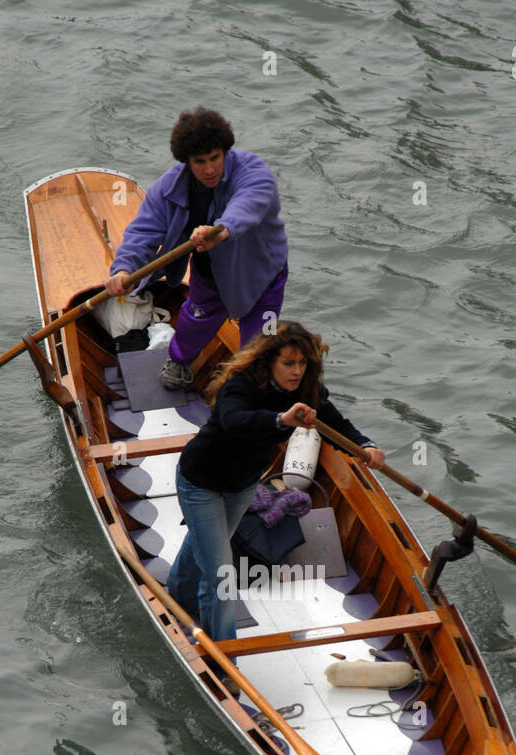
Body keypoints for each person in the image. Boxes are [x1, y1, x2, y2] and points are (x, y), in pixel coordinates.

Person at [167, 321, 385, 655]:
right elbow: (233, 421)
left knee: (213, 543)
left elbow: (334, 423)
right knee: (221, 575)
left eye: (303, 363)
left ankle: (178, 593)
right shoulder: (241, 386)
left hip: (242, 485)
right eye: (288, 363)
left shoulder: (306, 390)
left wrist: (365, 446)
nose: (297, 371)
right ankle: (224, 661)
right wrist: (281, 420)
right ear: (269, 361)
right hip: (202, 481)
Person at [106, 107, 288, 390]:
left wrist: (221, 230)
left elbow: (248, 205)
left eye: (215, 158)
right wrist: (123, 268)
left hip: (261, 277)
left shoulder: (254, 173)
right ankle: (178, 362)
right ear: (186, 162)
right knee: (194, 322)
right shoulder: (168, 188)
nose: (210, 169)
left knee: (258, 349)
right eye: (200, 161)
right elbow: (143, 232)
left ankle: (249, 393)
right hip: (209, 275)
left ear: (226, 151)